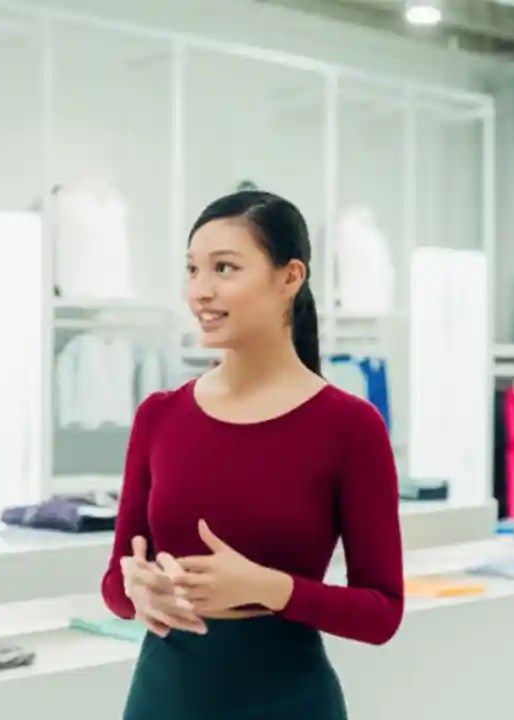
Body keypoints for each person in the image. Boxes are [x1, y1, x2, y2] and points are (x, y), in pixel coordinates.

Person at [100, 190, 404, 719]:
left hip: (289, 702)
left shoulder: (350, 427)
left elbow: (381, 612)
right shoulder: (159, 416)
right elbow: (117, 582)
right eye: (193, 270)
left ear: (290, 278)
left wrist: (270, 588)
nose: (200, 291)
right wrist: (136, 590)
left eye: (224, 268)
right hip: (163, 700)